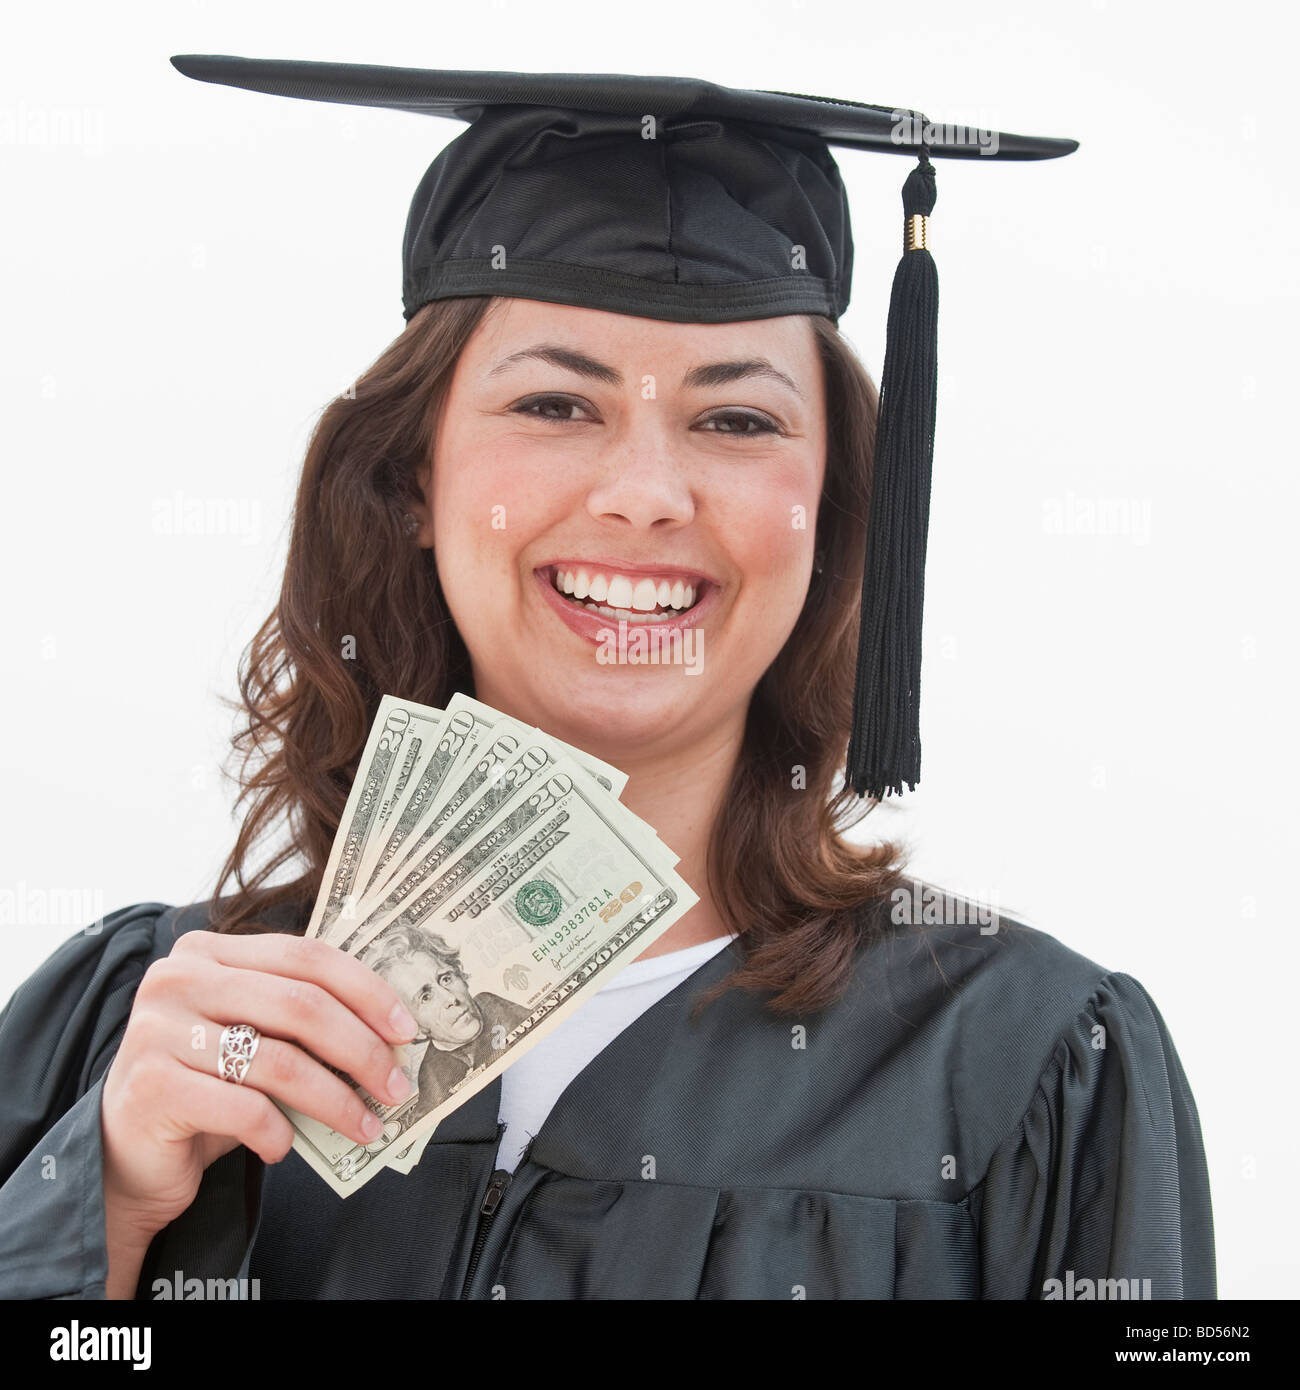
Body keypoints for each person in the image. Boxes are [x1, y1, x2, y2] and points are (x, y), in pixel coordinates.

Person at [0, 56, 1215, 1300]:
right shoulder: (149, 1025)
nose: (643, 494)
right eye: (553, 404)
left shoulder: (1026, 1073)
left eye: (736, 420)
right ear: (412, 480)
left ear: (839, 508)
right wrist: (99, 1213)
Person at [367, 925, 532, 1118]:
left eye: (446, 979)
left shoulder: (494, 1007)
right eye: (426, 997)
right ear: (413, 1027)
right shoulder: (432, 1080)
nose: (450, 998)